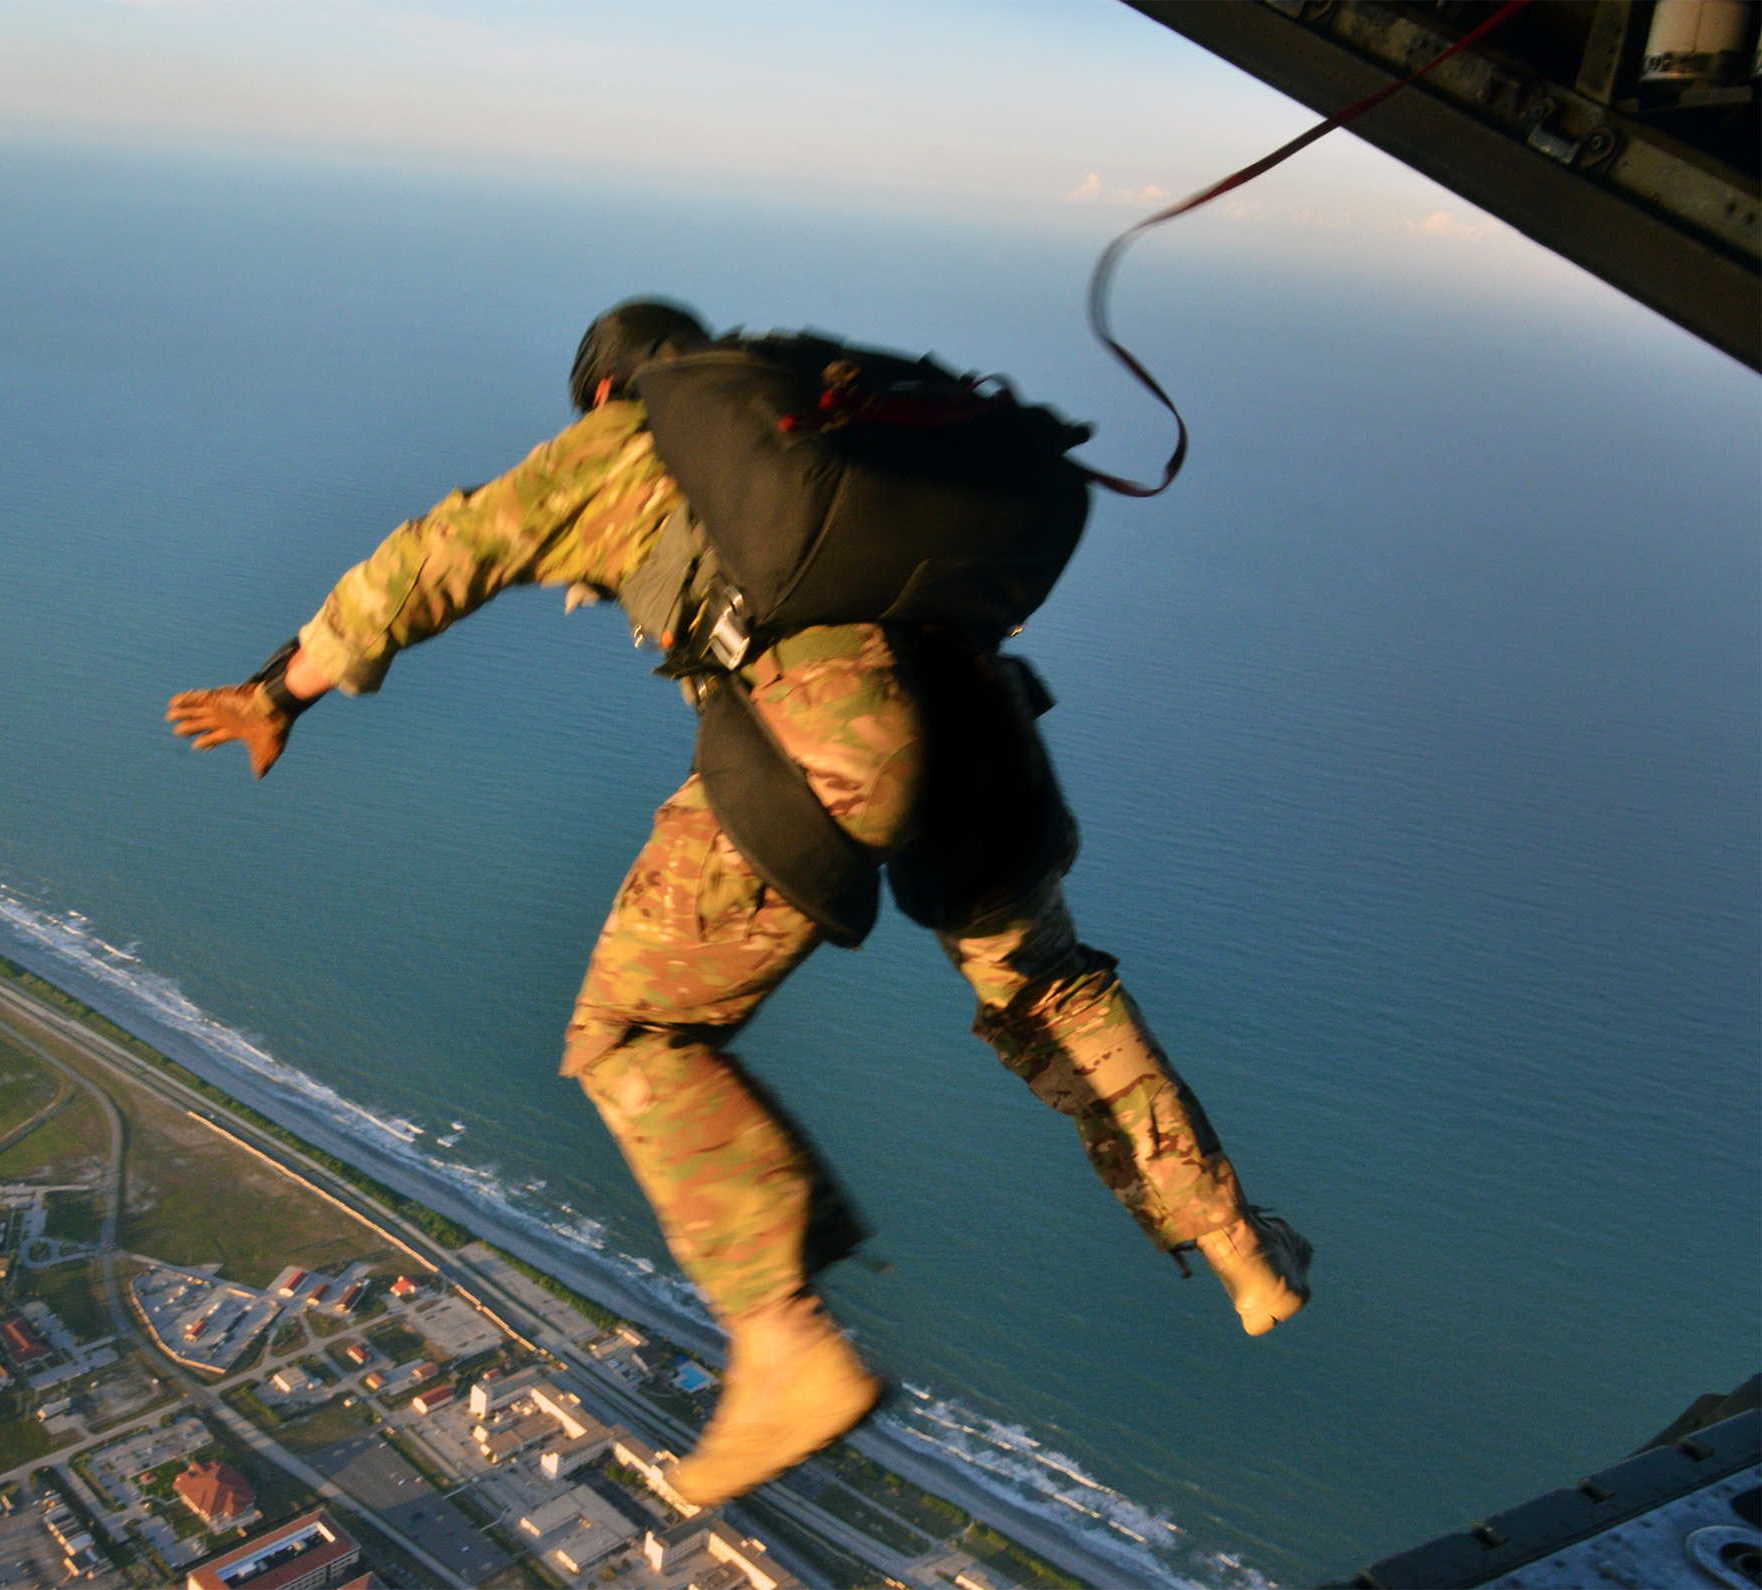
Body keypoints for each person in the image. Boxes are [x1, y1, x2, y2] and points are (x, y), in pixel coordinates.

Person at [167, 300, 1311, 1506]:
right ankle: (1236, 1243)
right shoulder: (828, 427)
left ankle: (783, 1346)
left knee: (634, 1035)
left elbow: (430, 562)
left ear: (608, 391)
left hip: (835, 726)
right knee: (1047, 986)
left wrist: (277, 692)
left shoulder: (628, 439)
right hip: (989, 733)